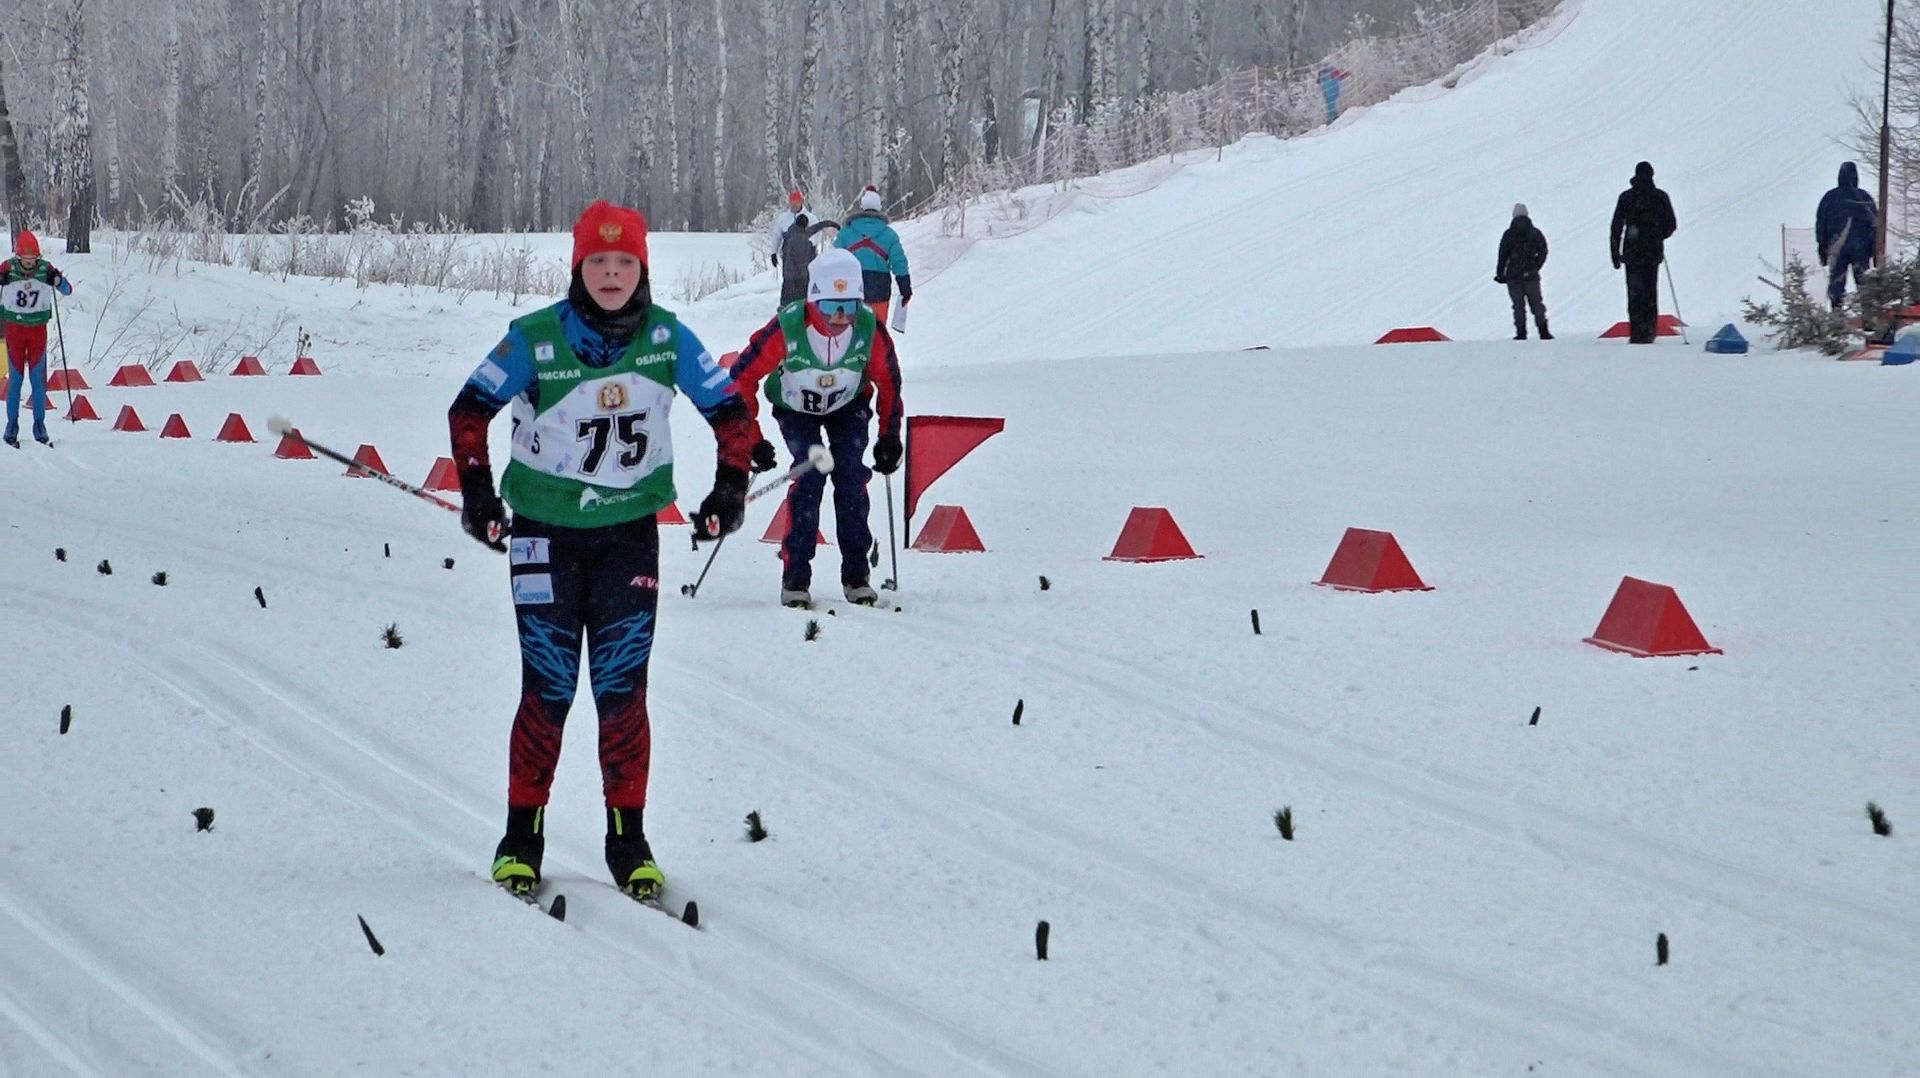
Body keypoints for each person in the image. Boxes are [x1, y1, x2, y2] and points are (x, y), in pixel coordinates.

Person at [446, 200, 764, 900]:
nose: (612, 273)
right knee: (550, 686)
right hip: (543, 534)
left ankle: (630, 841)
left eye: (624, 262)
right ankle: (520, 837)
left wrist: (729, 492)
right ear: (578, 268)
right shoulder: (534, 338)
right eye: (599, 261)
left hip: (627, 537)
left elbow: (732, 414)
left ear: (642, 268)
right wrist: (478, 495)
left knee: (622, 691)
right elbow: (469, 410)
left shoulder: (667, 339)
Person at [727, 248, 903, 608]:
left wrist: (889, 437)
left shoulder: (869, 330)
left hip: (847, 406)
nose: (840, 317)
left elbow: (890, 384)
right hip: (795, 409)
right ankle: (795, 578)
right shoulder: (787, 327)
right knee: (812, 474)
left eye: (849, 307)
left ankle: (857, 576)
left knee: (851, 476)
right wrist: (752, 442)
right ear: (812, 301)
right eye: (829, 307)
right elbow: (739, 381)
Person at [2, 230, 74, 447]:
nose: (29, 263)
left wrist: (58, 280)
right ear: (18, 257)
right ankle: (11, 427)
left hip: (37, 331)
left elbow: (68, 290)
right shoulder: (7, 267)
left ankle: (39, 427)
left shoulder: (46, 269)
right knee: (15, 380)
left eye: (33, 258)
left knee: (38, 381)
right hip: (14, 330)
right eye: (25, 258)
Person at [1609, 161, 1677, 344]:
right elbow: (1671, 224)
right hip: (1652, 252)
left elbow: (1616, 226)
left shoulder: (1626, 197)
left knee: (1634, 293)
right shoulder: (1660, 197)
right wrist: (1658, 235)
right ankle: (1649, 331)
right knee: (1650, 292)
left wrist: (1615, 253)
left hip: (1631, 252)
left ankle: (1637, 332)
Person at [834, 185, 912, 324]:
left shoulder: (846, 232)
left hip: (852, 290)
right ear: (879, 207)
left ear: (862, 207)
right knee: (877, 333)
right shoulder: (889, 234)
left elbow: (835, 261)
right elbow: (899, 263)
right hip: (879, 289)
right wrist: (905, 288)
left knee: (852, 333)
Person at [1816, 161, 1878, 310]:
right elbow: (1875, 224)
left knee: (1837, 282)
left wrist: (1822, 245)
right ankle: (1869, 319)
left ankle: (1837, 317)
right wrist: (1874, 249)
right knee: (1864, 283)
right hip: (1861, 249)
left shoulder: (1830, 198)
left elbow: (1821, 223)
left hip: (1837, 248)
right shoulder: (1864, 197)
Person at [1495, 203, 1551, 340]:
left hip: (1513, 276)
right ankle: (1543, 332)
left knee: (1518, 306)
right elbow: (1543, 251)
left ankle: (1521, 333)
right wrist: (1536, 266)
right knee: (1537, 303)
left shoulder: (1508, 234)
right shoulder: (1535, 233)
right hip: (1531, 275)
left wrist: (1500, 273)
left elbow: (1502, 255)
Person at [774, 208, 839, 308]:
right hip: (801, 275)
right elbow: (807, 257)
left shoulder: (790, 233)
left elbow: (816, 227)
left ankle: (783, 307)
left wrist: (830, 223)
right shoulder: (804, 238)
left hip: (788, 273)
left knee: (787, 294)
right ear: (805, 225)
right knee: (801, 298)